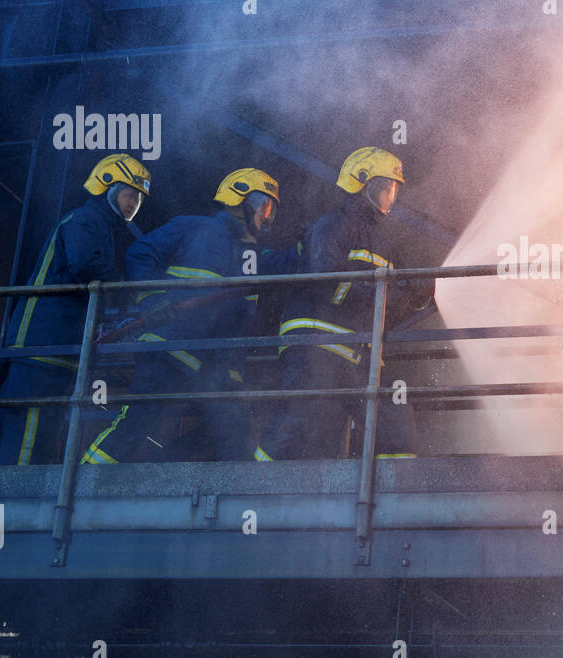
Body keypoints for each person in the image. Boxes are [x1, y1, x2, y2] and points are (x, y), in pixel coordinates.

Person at [81, 167, 288, 464]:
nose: (266, 215)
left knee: (237, 435)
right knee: (137, 424)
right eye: (262, 204)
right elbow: (140, 253)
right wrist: (154, 302)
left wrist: (303, 249)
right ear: (237, 200)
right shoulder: (194, 227)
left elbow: (275, 275)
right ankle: (84, 484)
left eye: (271, 209)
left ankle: (235, 501)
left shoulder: (252, 256)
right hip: (168, 351)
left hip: (213, 370)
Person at [255, 146, 431, 461]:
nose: (392, 197)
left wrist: (416, 296)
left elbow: (385, 309)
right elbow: (324, 281)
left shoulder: (385, 244)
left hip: (355, 353)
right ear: (366, 183)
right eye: (388, 188)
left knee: (394, 418)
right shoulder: (332, 226)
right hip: (314, 341)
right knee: (299, 420)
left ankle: (396, 503)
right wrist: (382, 293)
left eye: (394, 190)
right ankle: (252, 491)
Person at [0, 154, 151, 465]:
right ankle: (22, 509)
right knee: (32, 436)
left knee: (4, 432)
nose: (134, 202)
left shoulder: (97, 225)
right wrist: (125, 292)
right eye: (130, 193)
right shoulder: (86, 219)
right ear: (107, 187)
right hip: (46, 345)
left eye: (138, 197)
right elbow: (84, 264)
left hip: (45, 346)